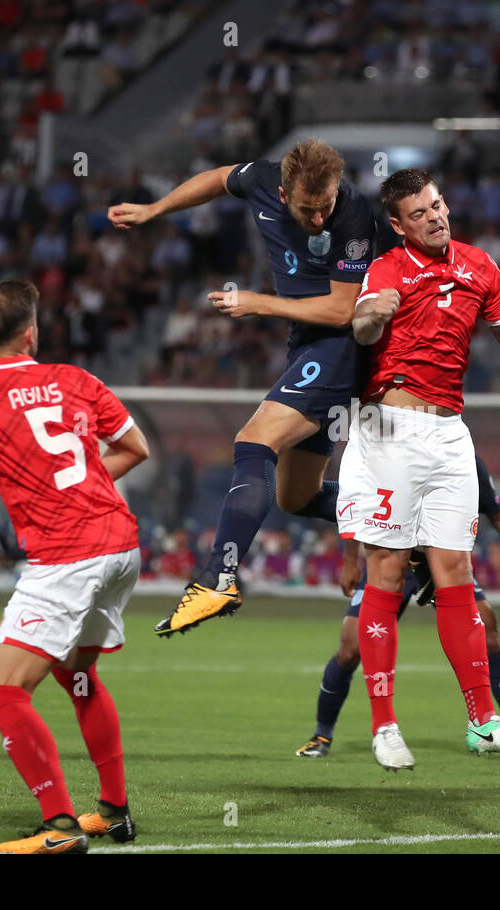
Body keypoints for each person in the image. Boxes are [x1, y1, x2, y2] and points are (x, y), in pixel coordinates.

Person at [341, 168, 500, 770]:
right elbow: (361, 326)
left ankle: (484, 720)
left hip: (450, 432)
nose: (436, 216)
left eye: (439, 205)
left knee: (455, 571)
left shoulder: (480, 266)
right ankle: (384, 725)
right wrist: (375, 314)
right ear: (398, 225)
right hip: (390, 429)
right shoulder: (387, 270)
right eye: (421, 213)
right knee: (389, 571)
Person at [108, 139, 377, 636]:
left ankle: (218, 579)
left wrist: (261, 302)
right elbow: (216, 178)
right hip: (307, 347)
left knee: (253, 443)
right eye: (306, 209)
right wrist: (156, 208)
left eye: (325, 207)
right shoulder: (260, 179)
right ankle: (404, 523)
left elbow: (343, 311)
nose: (319, 220)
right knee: (298, 497)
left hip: (341, 349)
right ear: (281, 191)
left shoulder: (355, 213)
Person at [0, 279, 151, 853]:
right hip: (121, 546)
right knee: (76, 674)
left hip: (67, 555)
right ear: (32, 333)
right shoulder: (78, 379)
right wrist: (79, 490)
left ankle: (59, 826)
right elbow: (134, 450)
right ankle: (116, 812)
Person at [297, 455, 500, 767]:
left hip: (442, 563)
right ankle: (323, 734)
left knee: (488, 630)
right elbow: (358, 507)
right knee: (350, 647)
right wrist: (351, 559)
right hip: (394, 563)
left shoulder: (461, 456)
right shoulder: (390, 449)